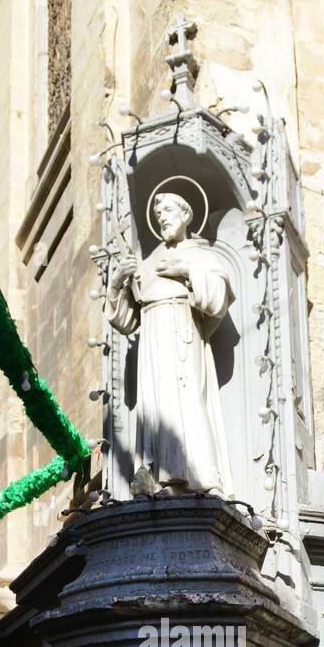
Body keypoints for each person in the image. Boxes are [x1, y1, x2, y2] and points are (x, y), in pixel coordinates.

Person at [106, 190, 235, 496]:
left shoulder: (200, 255)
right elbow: (125, 321)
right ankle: (160, 479)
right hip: (152, 343)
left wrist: (187, 271)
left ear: (185, 214)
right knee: (157, 407)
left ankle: (201, 479)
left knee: (188, 403)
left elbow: (219, 297)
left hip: (182, 335)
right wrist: (117, 284)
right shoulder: (148, 263)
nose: (161, 217)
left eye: (167, 210)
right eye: (157, 214)